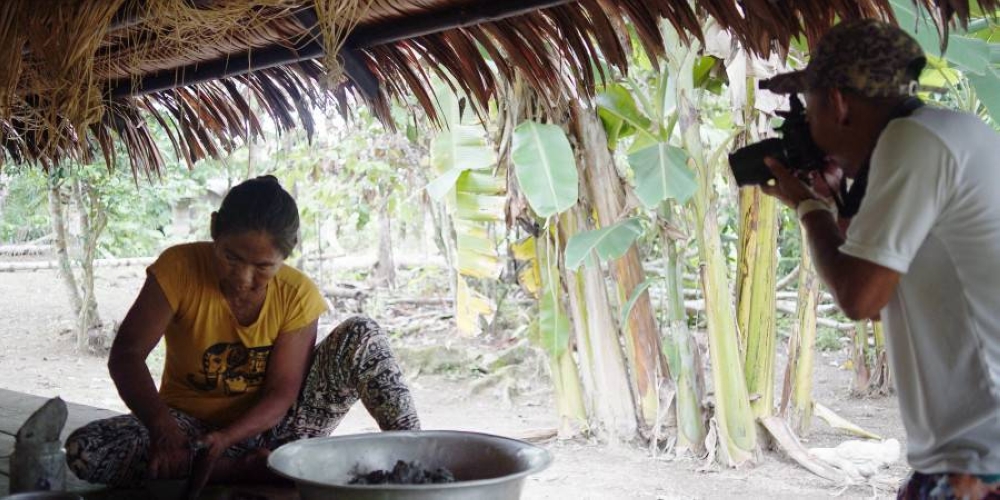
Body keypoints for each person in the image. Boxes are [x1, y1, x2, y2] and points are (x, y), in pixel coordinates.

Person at [757, 19, 1000, 499]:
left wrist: (810, 210)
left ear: (840, 103)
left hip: (981, 457)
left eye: (809, 108)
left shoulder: (913, 143)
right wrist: (837, 202)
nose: (807, 126)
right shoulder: (955, 133)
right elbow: (879, 256)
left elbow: (861, 296)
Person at [65, 175, 420, 488]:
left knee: (362, 334)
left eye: (263, 267)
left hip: (278, 429)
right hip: (189, 430)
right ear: (214, 228)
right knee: (86, 451)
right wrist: (163, 429)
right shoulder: (178, 268)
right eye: (231, 257)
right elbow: (126, 355)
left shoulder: (297, 294)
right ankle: (256, 469)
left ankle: (418, 461)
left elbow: (282, 393)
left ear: (287, 253)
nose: (243, 278)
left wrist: (230, 436)